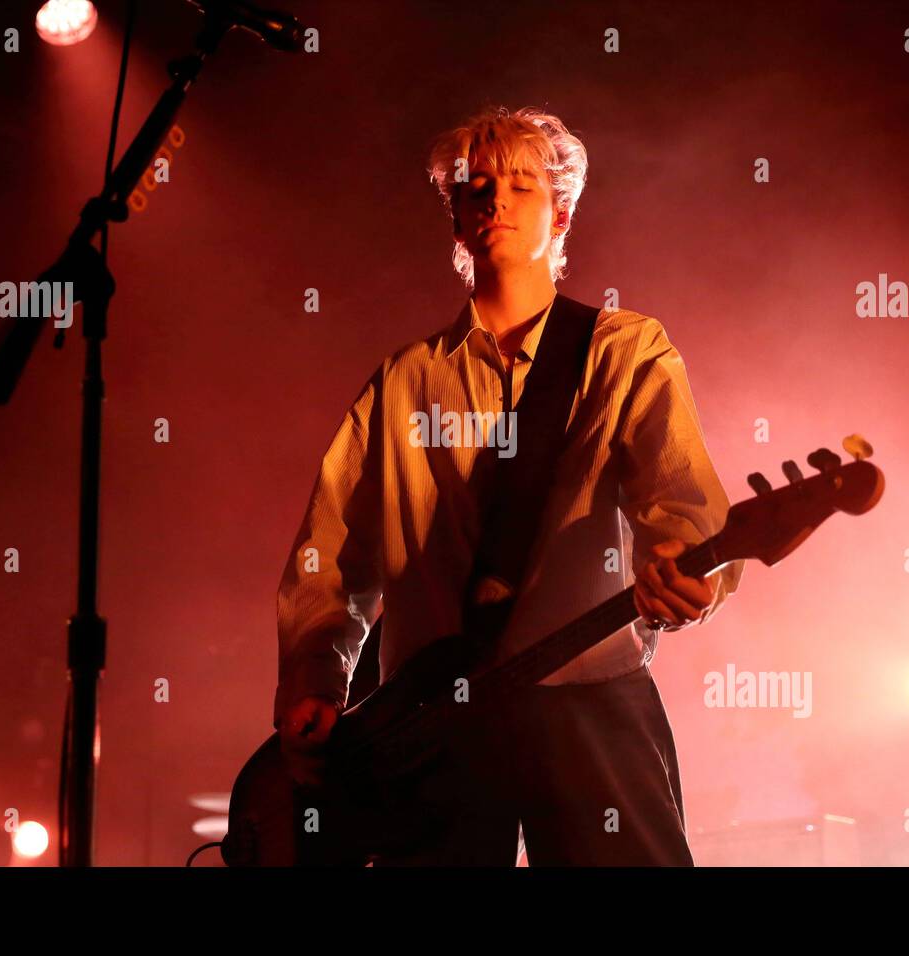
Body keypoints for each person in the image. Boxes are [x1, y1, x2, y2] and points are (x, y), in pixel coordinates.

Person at [272, 105, 743, 865]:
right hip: (433, 715)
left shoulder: (624, 350)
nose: (494, 200)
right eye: (476, 187)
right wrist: (314, 682)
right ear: (455, 219)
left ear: (561, 212)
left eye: (520, 185)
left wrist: (687, 571)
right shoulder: (403, 381)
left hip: (589, 696)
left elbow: (681, 504)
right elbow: (329, 554)